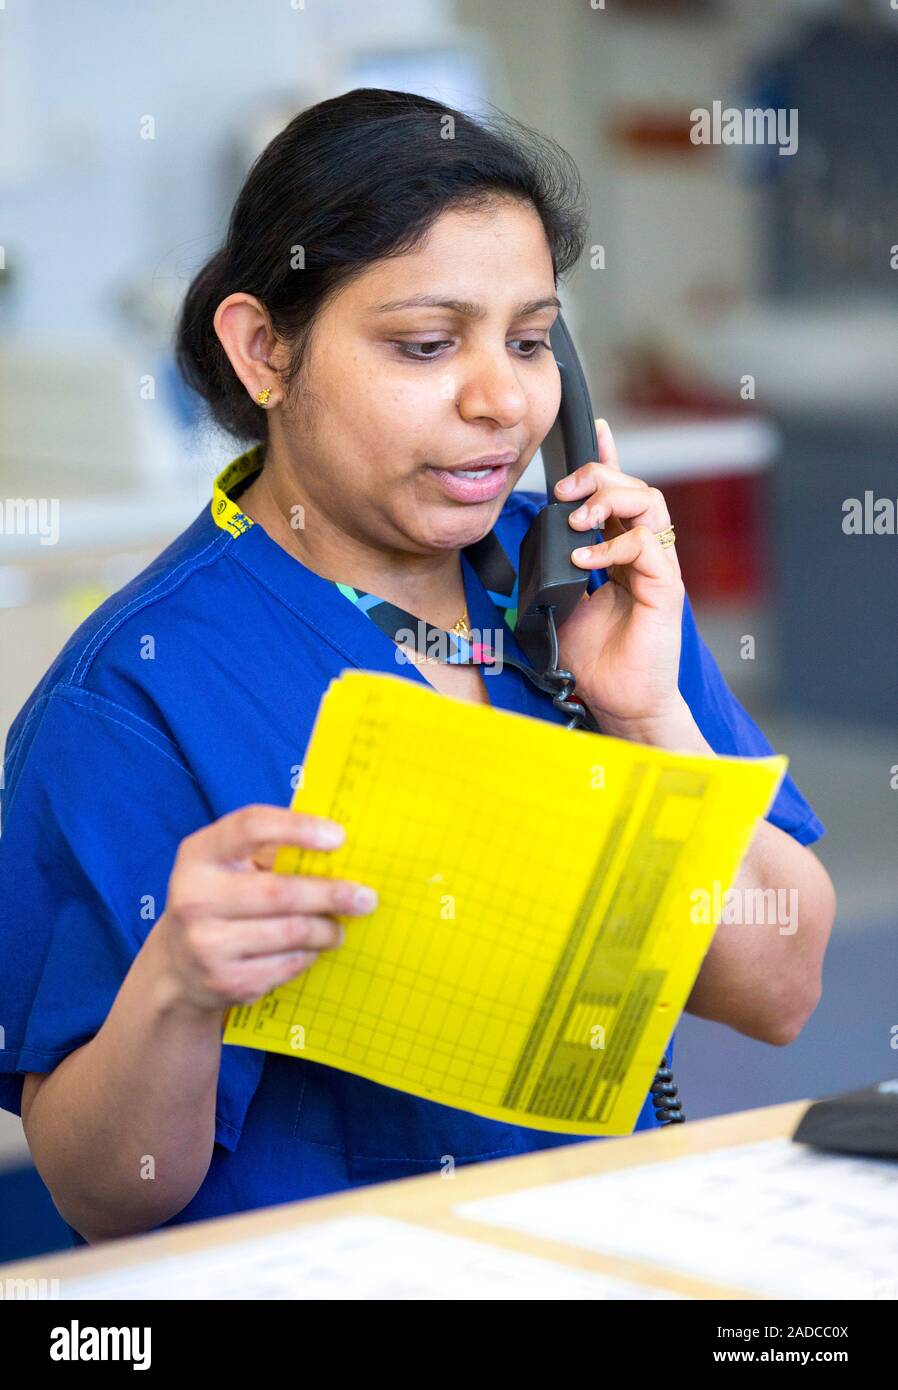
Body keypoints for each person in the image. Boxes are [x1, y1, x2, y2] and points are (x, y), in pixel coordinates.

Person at [0, 89, 835, 1247]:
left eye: (532, 341)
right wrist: (177, 991)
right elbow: (108, 1191)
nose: (501, 399)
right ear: (264, 350)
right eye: (427, 345)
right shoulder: (133, 695)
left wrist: (648, 714)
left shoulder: (586, 589)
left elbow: (781, 989)